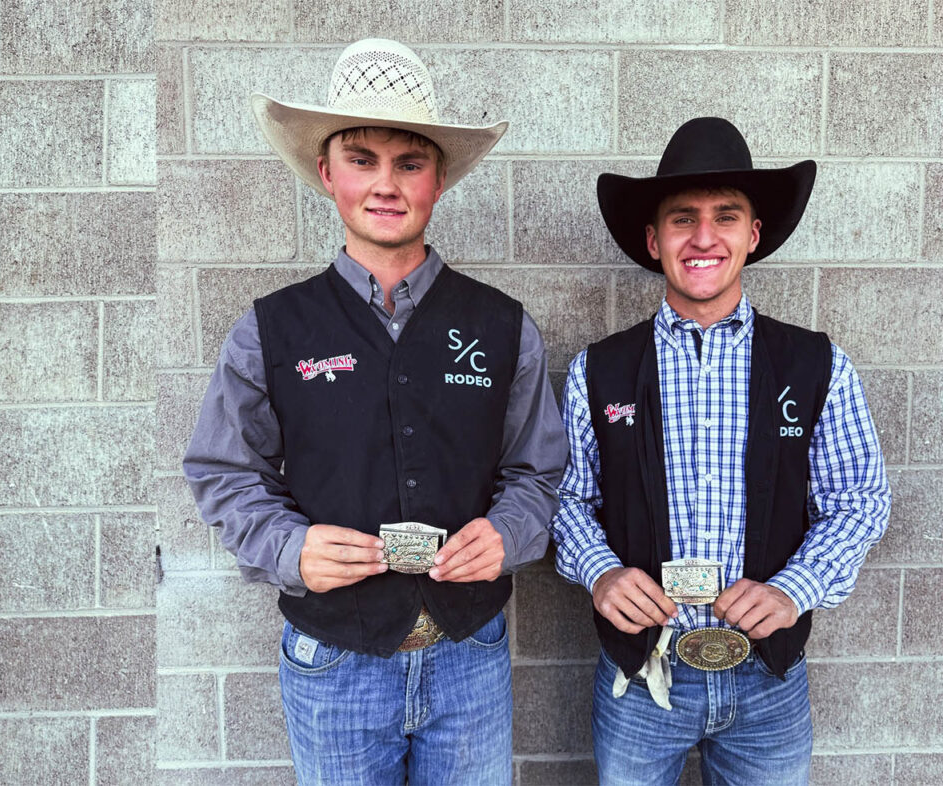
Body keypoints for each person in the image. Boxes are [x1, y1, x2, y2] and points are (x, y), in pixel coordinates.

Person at [183, 38, 566, 785]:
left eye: (409, 162)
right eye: (362, 158)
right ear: (327, 173)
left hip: (470, 658)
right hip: (334, 664)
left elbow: (539, 470)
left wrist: (509, 532)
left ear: (440, 179)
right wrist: (290, 548)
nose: (385, 184)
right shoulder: (270, 329)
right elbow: (224, 473)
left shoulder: (502, 325)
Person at [550, 116, 890, 785]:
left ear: (752, 235)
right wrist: (602, 573)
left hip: (769, 681)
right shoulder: (600, 370)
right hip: (642, 679)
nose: (703, 238)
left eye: (725, 217)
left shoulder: (816, 364)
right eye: (682, 219)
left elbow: (858, 500)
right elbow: (563, 496)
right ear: (653, 240)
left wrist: (796, 590)